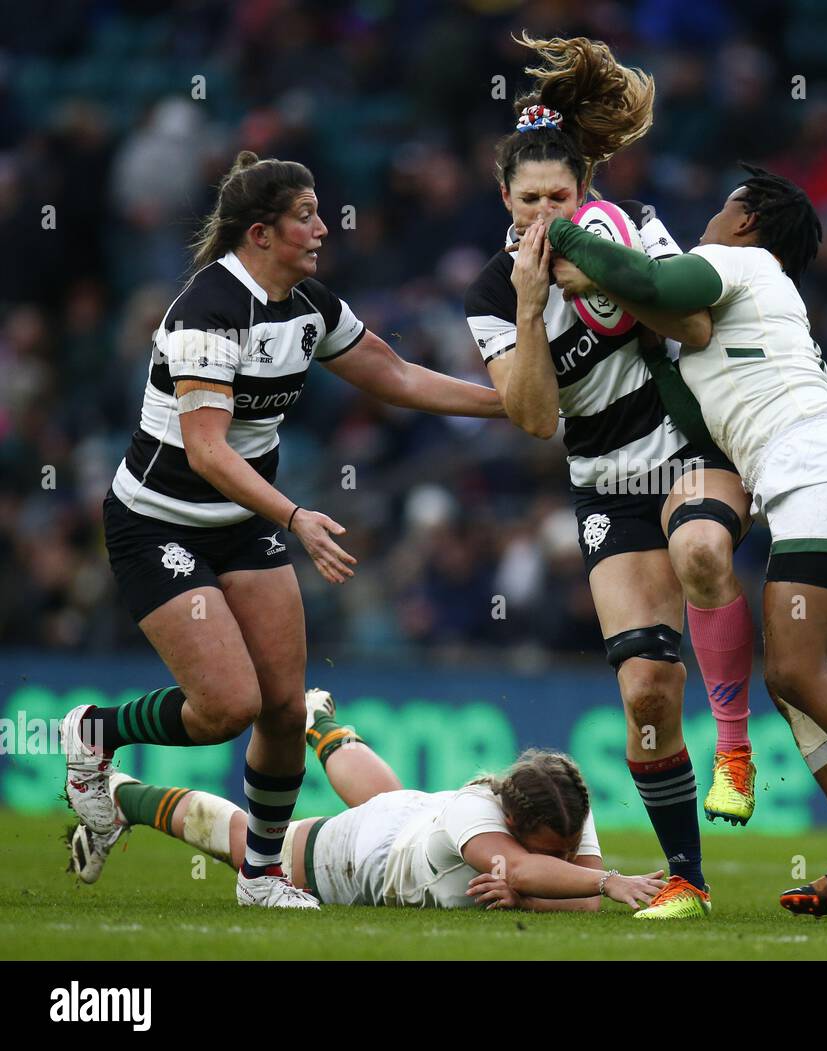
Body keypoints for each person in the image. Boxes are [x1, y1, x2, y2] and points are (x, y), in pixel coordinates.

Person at [60, 151, 506, 910]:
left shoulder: (307, 304)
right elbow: (204, 450)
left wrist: (509, 405)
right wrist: (295, 515)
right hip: (158, 521)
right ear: (261, 232)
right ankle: (98, 731)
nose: (324, 227)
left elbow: (393, 373)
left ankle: (260, 876)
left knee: (284, 707)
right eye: (307, 215)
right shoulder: (208, 311)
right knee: (225, 706)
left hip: (244, 521)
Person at [544, 164, 827, 912]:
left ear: (746, 220)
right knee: (795, 674)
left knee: (800, 673)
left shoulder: (736, 262)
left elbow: (643, 277)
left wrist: (554, 225)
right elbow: (693, 405)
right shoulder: (752, 299)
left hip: (821, 477)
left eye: (719, 207)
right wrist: (647, 349)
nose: (708, 221)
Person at [464, 33, 759, 920]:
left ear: (582, 192)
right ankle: (688, 881)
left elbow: (695, 321)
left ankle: (737, 747)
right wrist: (528, 300)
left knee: (704, 547)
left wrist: (603, 274)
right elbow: (534, 416)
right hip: (605, 479)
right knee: (643, 692)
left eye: (560, 195)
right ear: (505, 200)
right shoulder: (490, 290)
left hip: (691, 448)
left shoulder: (628, 231)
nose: (546, 212)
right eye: (529, 200)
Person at [68, 689, 666, 912]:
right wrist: (606, 880)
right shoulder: (476, 817)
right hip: (355, 856)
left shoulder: (564, 810)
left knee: (393, 795)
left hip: (410, 821)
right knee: (244, 843)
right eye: (549, 851)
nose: (565, 856)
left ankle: (316, 721)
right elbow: (552, 876)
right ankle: (125, 796)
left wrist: (533, 894)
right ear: (511, 819)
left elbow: (565, 890)